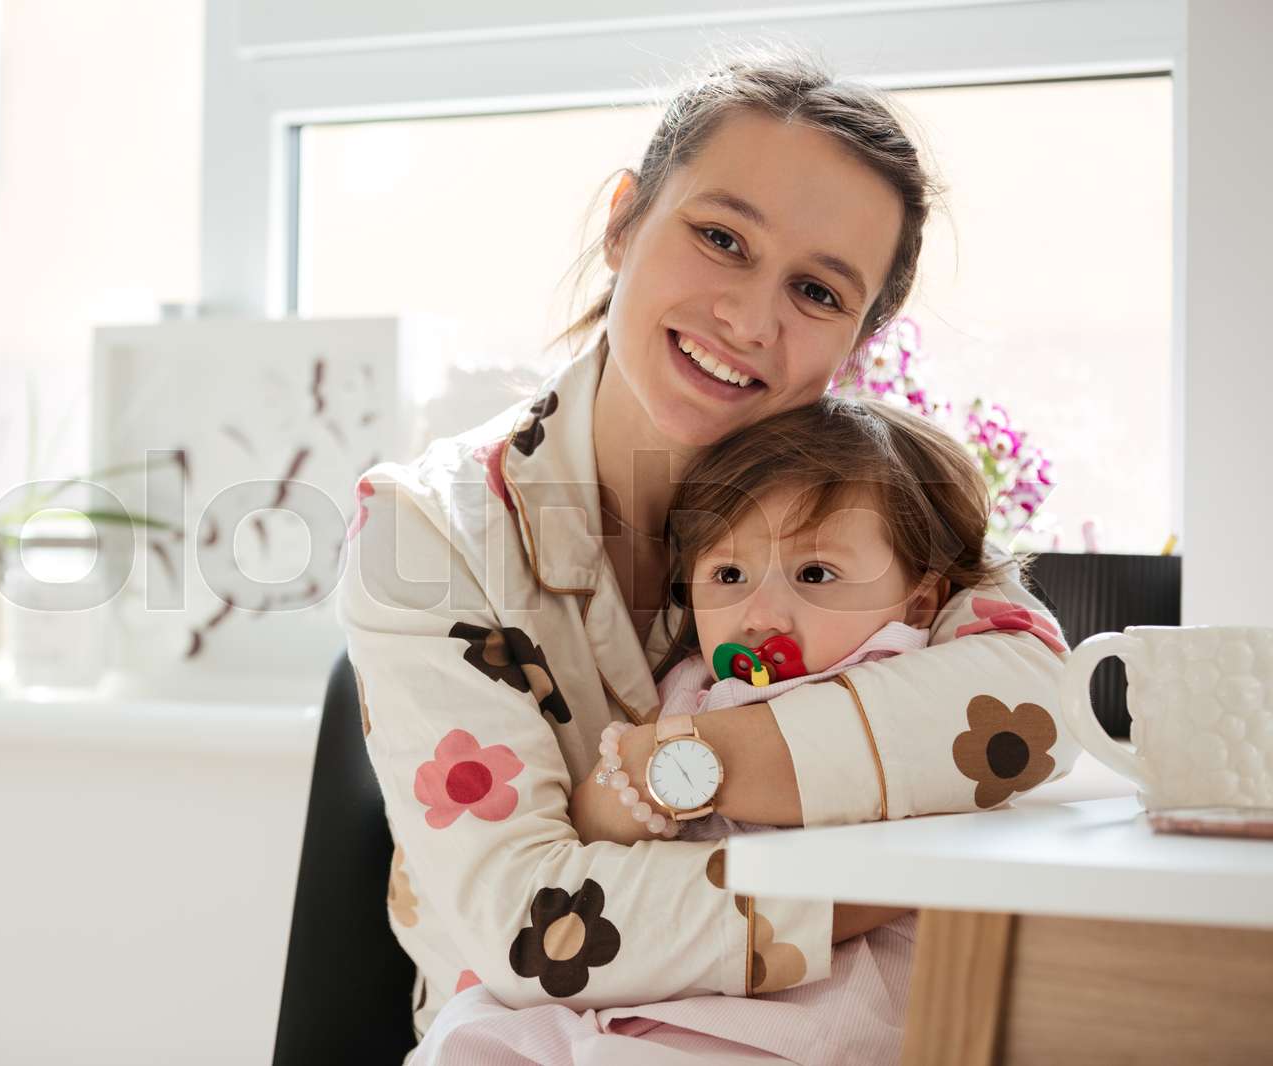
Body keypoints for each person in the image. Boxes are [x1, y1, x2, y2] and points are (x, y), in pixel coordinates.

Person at [337, 42, 1079, 1063]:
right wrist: (894, 875)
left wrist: (689, 766)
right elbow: (531, 928)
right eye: (722, 237)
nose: (748, 316)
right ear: (622, 220)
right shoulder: (424, 529)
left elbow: (1033, 706)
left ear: (859, 337)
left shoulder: (869, 492)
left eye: (818, 292)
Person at [577, 394, 1035, 851]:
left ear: (916, 605)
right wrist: (624, 792)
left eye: (814, 574)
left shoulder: (915, 678)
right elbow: (597, 821)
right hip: (730, 913)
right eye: (729, 575)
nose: (760, 617)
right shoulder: (685, 688)